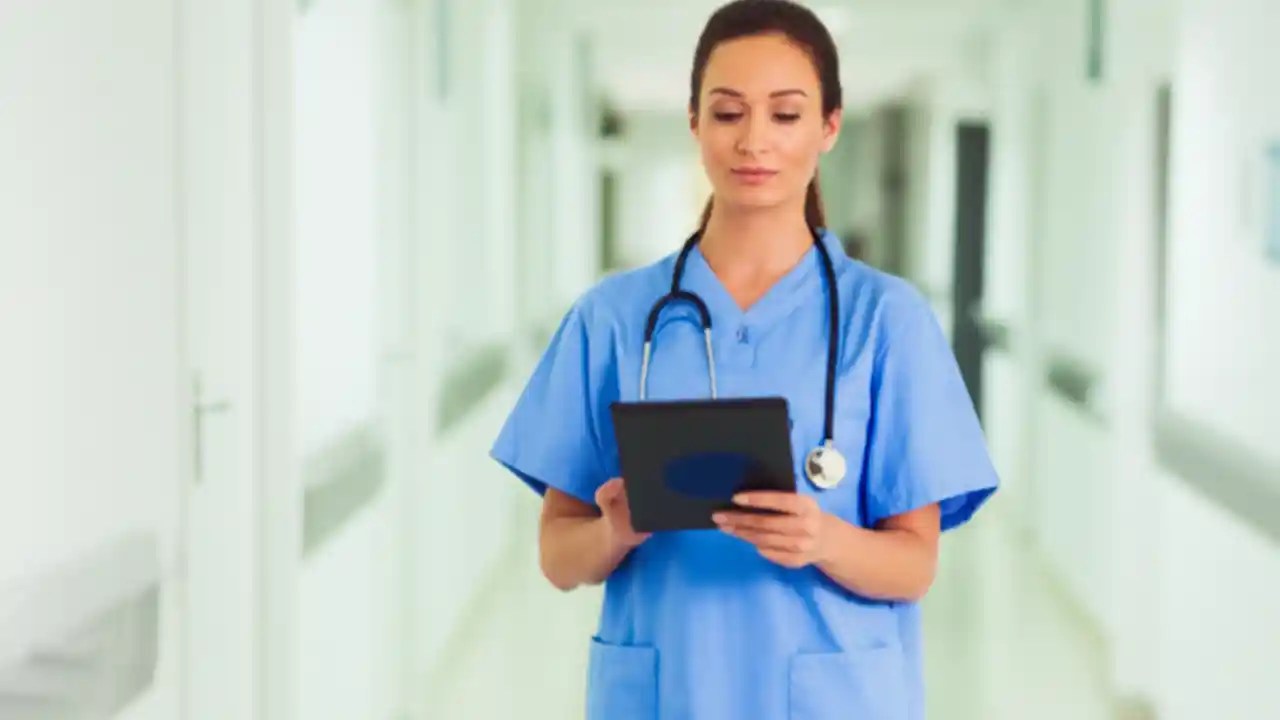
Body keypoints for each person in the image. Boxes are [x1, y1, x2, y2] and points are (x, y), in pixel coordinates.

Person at [490, 1, 998, 717]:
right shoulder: (612, 319)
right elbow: (557, 555)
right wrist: (613, 532)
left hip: (833, 698)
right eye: (728, 112)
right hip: (668, 693)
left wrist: (823, 539)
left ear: (829, 127)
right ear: (695, 122)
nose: (754, 140)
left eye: (785, 115)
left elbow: (914, 564)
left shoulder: (887, 321)